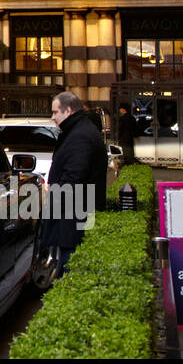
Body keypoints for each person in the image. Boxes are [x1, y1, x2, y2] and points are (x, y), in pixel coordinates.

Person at [42, 91, 108, 278]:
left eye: (55, 112)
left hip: (72, 222)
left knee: (71, 272)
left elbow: (72, 179)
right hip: (74, 219)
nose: (53, 117)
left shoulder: (79, 136)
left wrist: (49, 197)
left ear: (68, 111)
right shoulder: (80, 130)